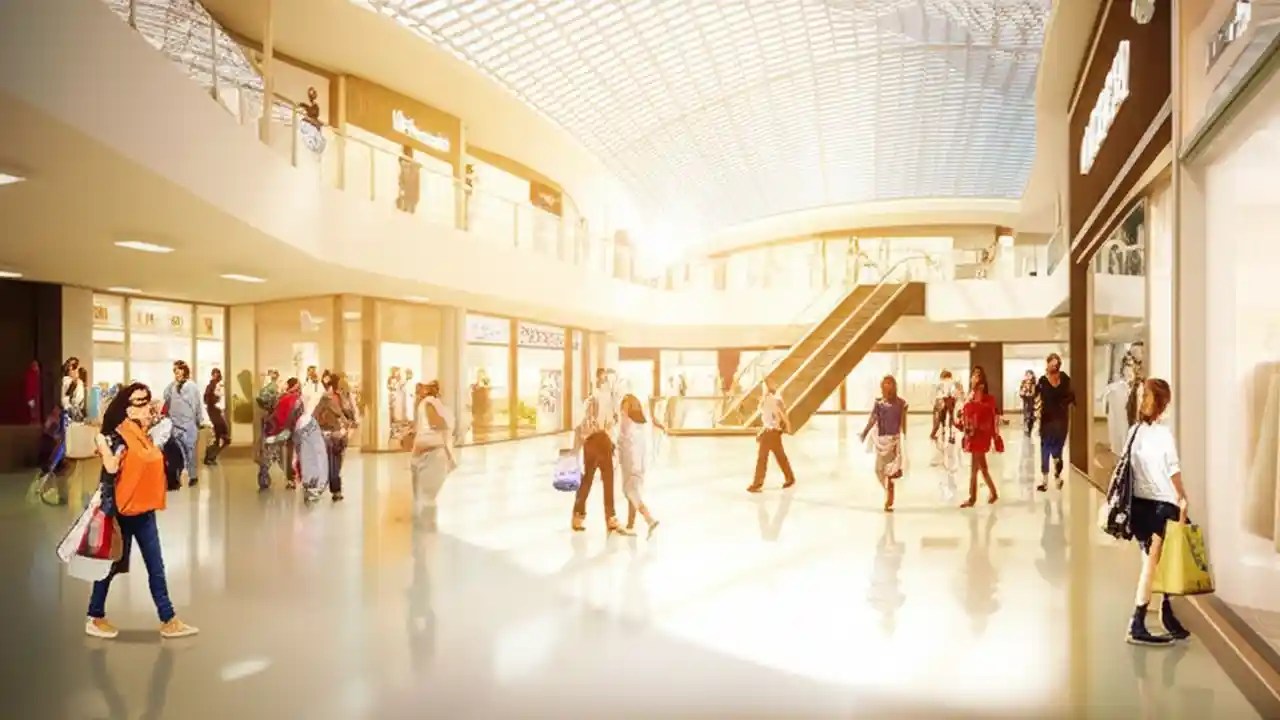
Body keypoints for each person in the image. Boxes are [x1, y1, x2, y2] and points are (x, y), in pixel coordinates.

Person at [85, 382, 198, 640]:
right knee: (110, 565)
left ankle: (168, 619)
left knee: (155, 565)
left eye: (148, 399)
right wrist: (102, 443)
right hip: (121, 512)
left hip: (143, 510)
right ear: (128, 409)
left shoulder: (144, 435)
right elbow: (112, 468)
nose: (147, 405)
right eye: (140, 401)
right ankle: (94, 615)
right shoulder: (117, 437)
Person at [1122, 378, 1191, 646]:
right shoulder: (1163, 435)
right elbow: (1173, 470)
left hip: (1138, 506)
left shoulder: (1134, 432)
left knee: (1152, 561)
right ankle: (1137, 622)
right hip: (1162, 506)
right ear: (1164, 403)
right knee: (1154, 565)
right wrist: (1183, 497)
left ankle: (1166, 613)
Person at [572, 368, 627, 534]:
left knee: (598, 479)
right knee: (596, 479)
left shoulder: (604, 399)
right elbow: (591, 423)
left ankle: (585, 516)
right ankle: (602, 517)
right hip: (597, 440)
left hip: (600, 441)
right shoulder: (596, 399)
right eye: (606, 378)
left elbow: (611, 422)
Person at [410, 381, 456, 519]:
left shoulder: (428, 403)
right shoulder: (426, 404)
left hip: (429, 452)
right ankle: (425, 522)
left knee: (425, 494)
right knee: (425, 494)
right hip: (427, 451)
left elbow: (435, 422)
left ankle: (425, 523)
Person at [861, 375, 908, 512]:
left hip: (893, 440)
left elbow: (903, 423)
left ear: (894, 385)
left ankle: (889, 496)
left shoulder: (901, 403)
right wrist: (865, 432)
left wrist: (903, 440)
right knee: (878, 470)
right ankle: (888, 489)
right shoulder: (879, 403)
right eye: (885, 383)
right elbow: (873, 418)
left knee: (889, 469)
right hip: (881, 439)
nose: (887, 386)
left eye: (890, 383)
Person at [618, 393, 660, 537]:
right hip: (639, 463)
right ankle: (630, 524)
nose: (623, 407)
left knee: (631, 493)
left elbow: (623, 442)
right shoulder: (640, 423)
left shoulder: (626, 422)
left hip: (630, 463)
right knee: (632, 494)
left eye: (625, 405)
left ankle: (649, 519)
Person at [959, 367, 1000, 508]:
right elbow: (966, 412)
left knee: (976, 468)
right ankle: (992, 493)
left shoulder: (987, 399)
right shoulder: (971, 396)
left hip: (981, 435)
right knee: (981, 467)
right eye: (973, 375)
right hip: (973, 434)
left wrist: (995, 436)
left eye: (977, 375)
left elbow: (991, 417)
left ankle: (973, 498)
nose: (973, 378)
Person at [748, 378, 796, 494]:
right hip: (770, 432)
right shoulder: (765, 401)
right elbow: (768, 419)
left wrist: (788, 426)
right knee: (779, 456)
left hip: (772, 432)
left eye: (764, 387)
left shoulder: (775, 400)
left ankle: (757, 483)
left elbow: (782, 414)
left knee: (763, 458)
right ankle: (790, 478)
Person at [315, 372, 357, 502]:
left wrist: (349, 424)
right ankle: (336, 489)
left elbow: (350, 414)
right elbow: (315, 415)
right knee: (333, 463)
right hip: (330, 434)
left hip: (342, 434)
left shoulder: (343, 397)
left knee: (337, 463)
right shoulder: (326, 399)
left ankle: (332, 485)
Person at [1036, 353, 1075, 491]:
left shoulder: (1064, 379)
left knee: (1057, 451)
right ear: (1047, 364)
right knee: (1045, 449)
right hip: (1047, 420)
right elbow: (1036, 397)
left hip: (1061, 420)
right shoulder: (1042, 381)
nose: (1054, 366)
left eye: (1056, 364)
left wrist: (1064, 404)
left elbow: (1072, 395)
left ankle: (1058, 476)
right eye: (1051, 364)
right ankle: (1045, 480)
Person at [162, 361, 204, 487]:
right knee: (176, 452)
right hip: (175, 424)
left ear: (185, 371)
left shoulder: (192, 386)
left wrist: (199, 420)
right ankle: (177, 475)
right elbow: (166, 396)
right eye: (175, 371)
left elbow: (197, 405)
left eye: (179, 370)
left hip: (188, 425)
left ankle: (193, 476)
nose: (177, 373)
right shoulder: (172, 387)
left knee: (190, 452)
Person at [293, 376, 330, 502]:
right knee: (317, 455)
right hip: (309, 424)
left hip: (301, 424)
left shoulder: (303, 394)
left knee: (306, 455)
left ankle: (309, 484)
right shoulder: (319, 394)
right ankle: (315, 486)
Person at [271, 379, 305, 489]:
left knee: (284, 456)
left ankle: (290, 478)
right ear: (295, 385)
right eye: (297, 385)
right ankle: (294, 477)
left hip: (281, 429)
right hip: (293, 429)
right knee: (292, 454)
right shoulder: (297, 399)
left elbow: (275, 413)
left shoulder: (281, 398)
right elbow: (300, 414)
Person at [202, 368, 229, 466]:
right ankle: (210, 456)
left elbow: (206, 399)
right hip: (215, 414)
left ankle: (210, 456)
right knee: (223, 437)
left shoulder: (214, 386)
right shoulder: (213, 386)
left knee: (220, 437)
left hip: (215, 413)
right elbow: (208, 399)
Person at [930, 370, 961, 443]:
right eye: (946, 378)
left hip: (946, 402)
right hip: (940, 403)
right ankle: (936, 435)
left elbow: (954, 393)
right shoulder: (939, 385)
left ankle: (947, 435)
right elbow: (933, 396)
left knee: (945, 420)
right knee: (939, 422)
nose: (947, 381)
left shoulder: (948, 385)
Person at [62, 357, 86, 423]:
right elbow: (66, 400)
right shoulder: (67, 381)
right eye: (74, 367)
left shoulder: (77, 382)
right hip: (71, 417)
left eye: (75, 366)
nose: (76, 370)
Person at [1018, 370, 1037, 436]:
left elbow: (1033, 393)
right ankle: (1026, 426)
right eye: (1027, 375)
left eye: (1030, 375)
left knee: (1030, 413)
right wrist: (1023, 392)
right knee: (1026, 413)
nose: (1028, 376)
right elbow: (1021, 392)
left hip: (1031, 400)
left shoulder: (1033, 383)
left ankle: (1030, 427)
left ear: (1032, 376)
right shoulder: (1023, 383)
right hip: (1025, 400)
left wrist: (1029, 393)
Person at [25, 360, 40, 424]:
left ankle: (36, 421)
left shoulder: (37, 374)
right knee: (32, 409)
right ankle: (32, 421)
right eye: (34, 365)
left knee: (36, 409)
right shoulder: (30, 374)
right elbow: (29, 385)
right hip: (31, 395)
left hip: (36, 394)